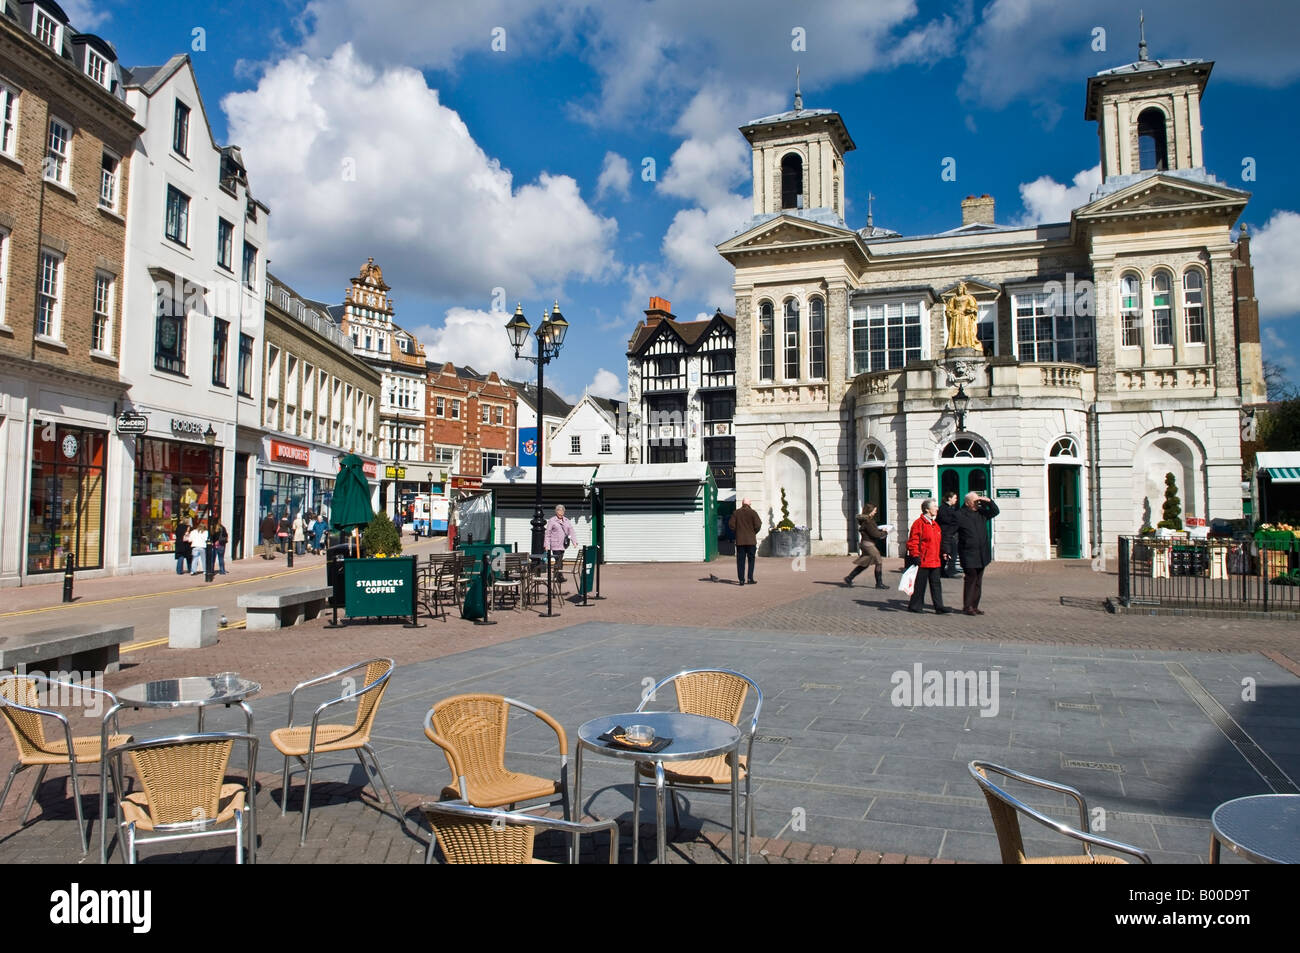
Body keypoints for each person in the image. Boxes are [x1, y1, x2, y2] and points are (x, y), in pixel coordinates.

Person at [956, 491, 1000, 615]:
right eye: (974, 501)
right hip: (968, 553)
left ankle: (975, 606)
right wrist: (946, 549)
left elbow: (995, 511)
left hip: (981, 553)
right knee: (971, 579)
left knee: (978, 581)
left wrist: (988, 501)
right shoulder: (960, 514)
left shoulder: (981, 513)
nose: (977, 503)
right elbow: (950, 532)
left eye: (977, 501)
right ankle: (967, 606)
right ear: (967, 503)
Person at [906, 499, 951, 614]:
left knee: (936, 584)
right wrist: (915, 555)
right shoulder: (919, 523)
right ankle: (915, 605)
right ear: (927, 509)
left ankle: (939, 606)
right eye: (934, 506)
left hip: (935, 559)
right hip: (923, 559)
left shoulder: (935, 525)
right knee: (920, 584)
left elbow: (938, 541)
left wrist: (944, 552)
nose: (937, 508)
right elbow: (913, 541)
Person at [845, 503, 889, 589]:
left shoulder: (867, 520)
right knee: (879, 561)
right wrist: (885, 532)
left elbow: (872, 531)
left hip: (866, 543)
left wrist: (879, 529)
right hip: (868, 544)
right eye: (874, 511)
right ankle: (879, 584)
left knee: (865, 563)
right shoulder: (868, 521)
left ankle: (849, 578)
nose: (875, 512)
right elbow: (875, 534)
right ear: (870, 511)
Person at [728, 498, 762, 586]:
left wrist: (737, 532)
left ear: (742, 504)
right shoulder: (753, 513)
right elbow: (758, 525)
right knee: (751, 560)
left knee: (740, 561)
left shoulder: (736, 513)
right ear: (749, 505)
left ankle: (741, 580)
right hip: (751, 541)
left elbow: (731, 525)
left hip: (740, 542)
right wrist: (753, 532)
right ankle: (750, 578)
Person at [544, 504, 575, 576]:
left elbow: (571, 531)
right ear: (556, 512)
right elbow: (547, 534)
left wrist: (574, 542)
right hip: (555, 544)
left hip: (563, 544)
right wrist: (547, 545)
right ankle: (558, 576)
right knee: (558, 560)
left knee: (560, 560)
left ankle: (557, 575)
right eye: (559, 511)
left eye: (562, 511)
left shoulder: (566, 520)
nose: (561, 512)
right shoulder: (552, 520)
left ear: (564, 512)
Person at [937, 491, 962, 579]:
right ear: (949, 498)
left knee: (947, 553)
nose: (956, 500)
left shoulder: (951, 508)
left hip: (949, 533)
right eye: (955, 498)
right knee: (952, 552)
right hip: (946, 534)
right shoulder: (943, 508)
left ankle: (942, 571)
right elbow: (944, 520)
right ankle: (950, 571)